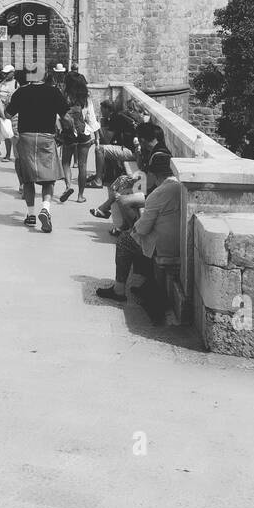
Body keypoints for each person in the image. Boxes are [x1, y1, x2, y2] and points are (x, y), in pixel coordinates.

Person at [96, 151, 181, 322]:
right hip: (178, 240)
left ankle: (119, 289)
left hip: (164, 246)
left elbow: (142, 229)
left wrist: (133, 229)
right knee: (135, 239)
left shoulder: (158, 193)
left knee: (125, 240)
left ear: (154, 174)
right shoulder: (180, 186)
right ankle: (140, 281)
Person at [6, 64, 69, 232]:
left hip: (26, 137)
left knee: (28, 178)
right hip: (46, 137)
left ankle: (31, 214)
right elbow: (66, 116)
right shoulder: (54, 92)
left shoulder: (21, 92)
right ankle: (46, 208)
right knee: (48, 178)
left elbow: (7, 115)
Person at [91, 123, 168, 226]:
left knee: (122, 198)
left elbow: (150, 185)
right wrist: (139, 151)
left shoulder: (158, 156)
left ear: (142, 140)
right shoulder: (153, 150)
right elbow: (142, 168)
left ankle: (133, 229)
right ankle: (116, 222)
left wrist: (130, 189)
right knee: (121, 184)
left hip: (158, 195)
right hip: (155, 190)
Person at [57, 71, 98, 204]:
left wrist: (60, 130)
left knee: (66, 162)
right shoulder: (86, 97)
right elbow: (91, 118)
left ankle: (68, 187)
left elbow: (58, 117)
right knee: (83, 165)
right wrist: (97, 136)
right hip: (84, 133)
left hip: (69, 134)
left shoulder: (64, 96)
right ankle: (80, 196)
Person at [0, 66, 17, 162]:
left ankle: (10, 155)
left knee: (11, 134)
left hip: (11, 113)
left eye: (8, 73)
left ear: (13, 73)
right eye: (4, 73)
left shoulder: (16, 84)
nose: (5, 75)